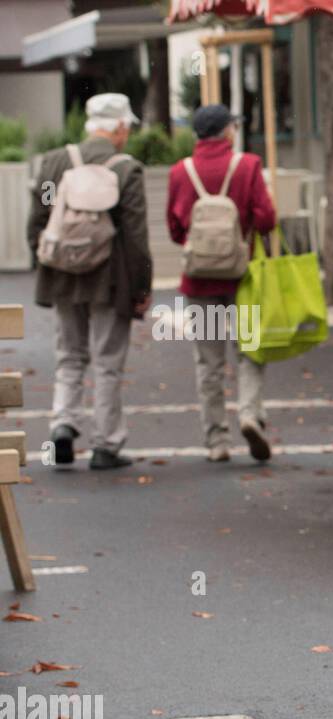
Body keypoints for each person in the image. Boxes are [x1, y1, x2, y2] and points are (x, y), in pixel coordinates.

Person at [28, 93, 151, 470]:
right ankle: (105, 445)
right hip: (109, 279)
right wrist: (141, 286)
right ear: (117, 128)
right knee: (107, 361)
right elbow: (134, 236)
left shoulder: (54, 162)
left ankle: (63, 424)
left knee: (69, 356)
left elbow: (39, 216)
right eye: (126, 127)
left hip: (62, 275)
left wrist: (45, 259)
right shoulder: (127, 170)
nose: (127, 135)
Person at [167, 104, 277, 463]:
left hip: (199, 280)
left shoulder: (180, 172)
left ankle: (216, 441)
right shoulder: (247, 166)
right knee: (249, 351)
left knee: (209, 363)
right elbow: (266, 218)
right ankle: (249, 414)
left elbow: (175, 228)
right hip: (242, 278)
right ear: (227, 131)